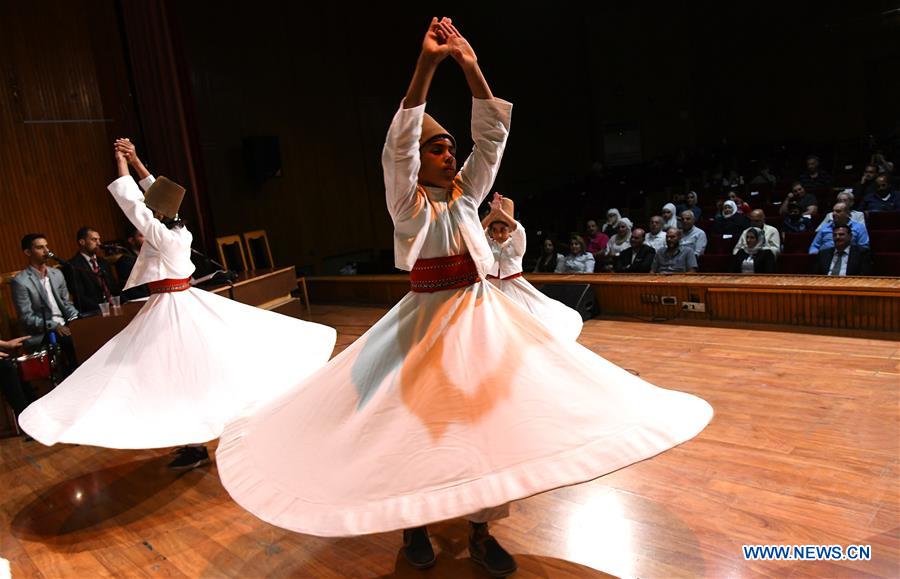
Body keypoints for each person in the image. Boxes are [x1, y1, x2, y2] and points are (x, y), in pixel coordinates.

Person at [214, 18, 712, 579]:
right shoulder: (407, 206)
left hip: (480, 321)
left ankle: (479, 529)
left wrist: (472, 70)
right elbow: (397, 148)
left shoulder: (464, 196)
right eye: (438, 149)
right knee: (415, 427)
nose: (450, 156)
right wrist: (427, 67)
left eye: (451, 148)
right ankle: (415, 523)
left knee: (483, 427)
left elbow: (492, 141)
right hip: (426, 322)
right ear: (419, 160)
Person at [19, 139, 336, 472]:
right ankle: (199, 440)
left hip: (172, 310)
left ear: (159, 211)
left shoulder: (162, 234)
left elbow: (132, 205)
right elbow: (157, 195)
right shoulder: (179, 229)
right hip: (176, 303)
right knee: (183, 374)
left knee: (172, 375)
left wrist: (121, 163)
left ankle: (198, 441)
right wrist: (138, 160)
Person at [482, 193, 582, 341]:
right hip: (492, 287)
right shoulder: (489, 245)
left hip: (513, 286)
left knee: (523, 318)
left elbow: (519, 230)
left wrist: (501, 213)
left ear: (509, 230)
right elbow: (477, 230)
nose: (499, 234)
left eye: (503, 229)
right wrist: (492, 214)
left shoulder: (516, 245)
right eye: (495, 230)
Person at [62, 226, 120, 315]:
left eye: (99, 240)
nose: (99, 243)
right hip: (93, 312)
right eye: (94, 240)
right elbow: (80, 297)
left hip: (114, 307)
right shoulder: (72, 266)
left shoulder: (103, 262)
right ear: (82, 242)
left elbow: (114, 287)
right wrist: (103, 308)